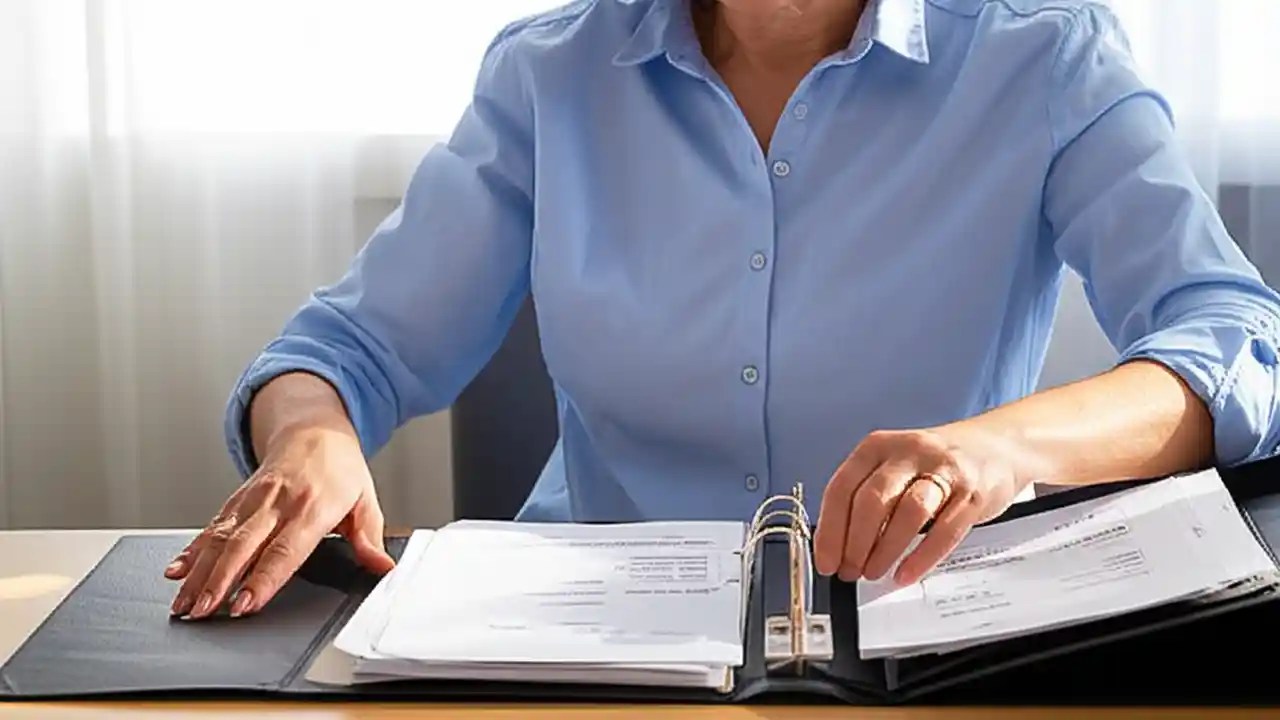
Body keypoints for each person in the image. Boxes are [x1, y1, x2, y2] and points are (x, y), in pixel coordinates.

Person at [165, 0, 1280, 621]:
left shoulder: (1042, 55)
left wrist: (997, 445)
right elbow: (345, 349)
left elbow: (1235, 341)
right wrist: (312, 439)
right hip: (585, 639)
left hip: (909, 632)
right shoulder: (548, 74)